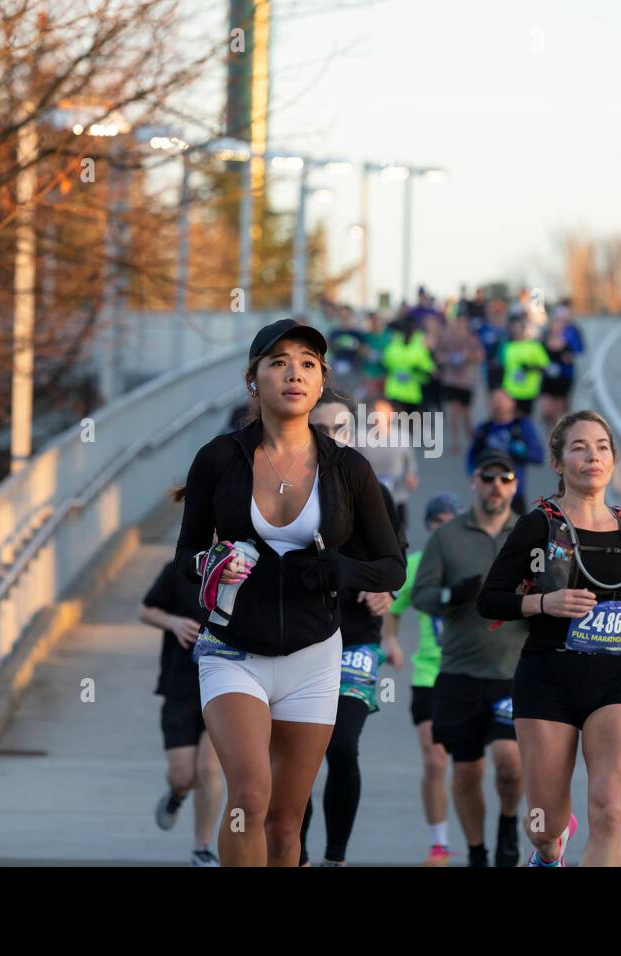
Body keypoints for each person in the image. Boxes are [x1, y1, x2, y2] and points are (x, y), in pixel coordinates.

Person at [168, 318, 406, 867]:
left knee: (285, 821)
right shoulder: (220, 458)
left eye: (306, 363)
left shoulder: (349, 468)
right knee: (249, 799)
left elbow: (392, 567)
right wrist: (209, 565)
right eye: (277, 362)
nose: (293, 373)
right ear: (253, 381)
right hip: (232, 652)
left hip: (314, 656)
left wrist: (337, 570)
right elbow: (184, 556)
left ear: (320, 381)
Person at [476, 410, 621, 866]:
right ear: (557, 462)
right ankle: (549, 853)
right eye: (579, 447)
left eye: (602, 447)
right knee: (545, 827)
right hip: (547, 677)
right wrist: (543, 604)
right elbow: (489, 600)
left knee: (610, 810)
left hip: (613, 680)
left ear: (613, 460)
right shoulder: (540, 525)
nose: (593, 456)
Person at [296, 397, 408, 866]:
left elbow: (395, 562)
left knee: (341, 745)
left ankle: (335, 857)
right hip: (296, 637)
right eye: (318, 428)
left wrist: (385, 592)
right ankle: (293, 854)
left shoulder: (373, 490)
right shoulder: (282, 487)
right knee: (296, 757)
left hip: (356, 636)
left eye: (338, 429)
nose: (328, 437)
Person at [410, 449, 528, 867]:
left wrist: (547, 592)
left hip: (515, 671)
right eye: (488, 477)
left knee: (510, 763)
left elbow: (561, 593)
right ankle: (477, 851)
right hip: (460, 671)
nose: (496, 485)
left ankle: (509, 823)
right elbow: (421, 595)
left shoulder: (530, 535)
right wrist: (450, 595)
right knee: (465, 773)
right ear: (474, 482)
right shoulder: (448, 536)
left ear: (514, 486)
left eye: (505, 478)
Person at [386, 492, 460, 866]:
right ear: (430, 526)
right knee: (434, 761)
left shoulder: (472, 560)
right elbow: (392, 608)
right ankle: (440, 844)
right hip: (429, 674)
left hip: (472, 674)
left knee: (501, 763)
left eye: (451, 520)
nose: (444, 527)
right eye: (438, 521)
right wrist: (390, 641)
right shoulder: (414, 565)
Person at [138, 564, 223, 866]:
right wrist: (172, 623)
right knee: (183, 775)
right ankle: (177, 794)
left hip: (226, 687)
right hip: (181, 686)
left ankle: (201, 848)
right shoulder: (180, 570)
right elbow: (146, 611)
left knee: (209, 768)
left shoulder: (248, 572)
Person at [467, 388, 543, 515]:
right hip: (488, 493)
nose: (498, 404)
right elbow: (471, 456)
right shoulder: (484, 428)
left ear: (512, 402)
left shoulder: (522, 426)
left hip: (514, 493)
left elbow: (539, 457)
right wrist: (473, 475)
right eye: (494, 400)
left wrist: (523, 452)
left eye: (502, 399)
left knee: (518, 531)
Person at [359, 396, 419, 530]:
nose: (377, 415)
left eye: (381, 412)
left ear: (390, 415)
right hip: (370, 497)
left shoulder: (402, 436)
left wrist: (411, 475)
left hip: (397, 496)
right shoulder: (359, 437)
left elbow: (410, 463)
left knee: (399, 534)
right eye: (374, 411)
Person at [437, 308, 486, 455]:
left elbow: (480, 356)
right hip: (451, 380)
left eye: (462, 323)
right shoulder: (447, 337)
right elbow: (439, 355)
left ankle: (471, 440)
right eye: (457, 323)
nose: (459, 326)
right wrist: (447, 358)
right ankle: (455, 441)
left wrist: (467, 357)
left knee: (466, 414)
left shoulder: (472, 339)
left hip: (466, 381)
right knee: (452, 412)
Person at [538, 305, 584, 429]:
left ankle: (557, 438)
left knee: (560, 413)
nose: (557, 325)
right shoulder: (543, 338)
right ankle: (550, 430)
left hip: (564, 378)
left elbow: (580, 349)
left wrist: (570, 355)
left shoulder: (571, 336)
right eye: (556, 321)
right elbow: (537, 354)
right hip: (547, 379)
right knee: (547, 411)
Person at [381, 315, 436, 415]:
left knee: (405, 425)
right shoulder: (395, 348)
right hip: (398, 393)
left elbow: (429, 371)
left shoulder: (416, 348)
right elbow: (429, 370)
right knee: (399, 425)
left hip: (409, 394)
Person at [499, 316, 551, 417]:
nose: (515, 330)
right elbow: (502, 368)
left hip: (528, 392)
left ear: (523, 328)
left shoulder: (534, 346)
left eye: (517, 327)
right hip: (510, 391)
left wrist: (530, 367)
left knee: (524, 422)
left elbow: (545, 367)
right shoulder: (507, 346)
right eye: (513, 327)